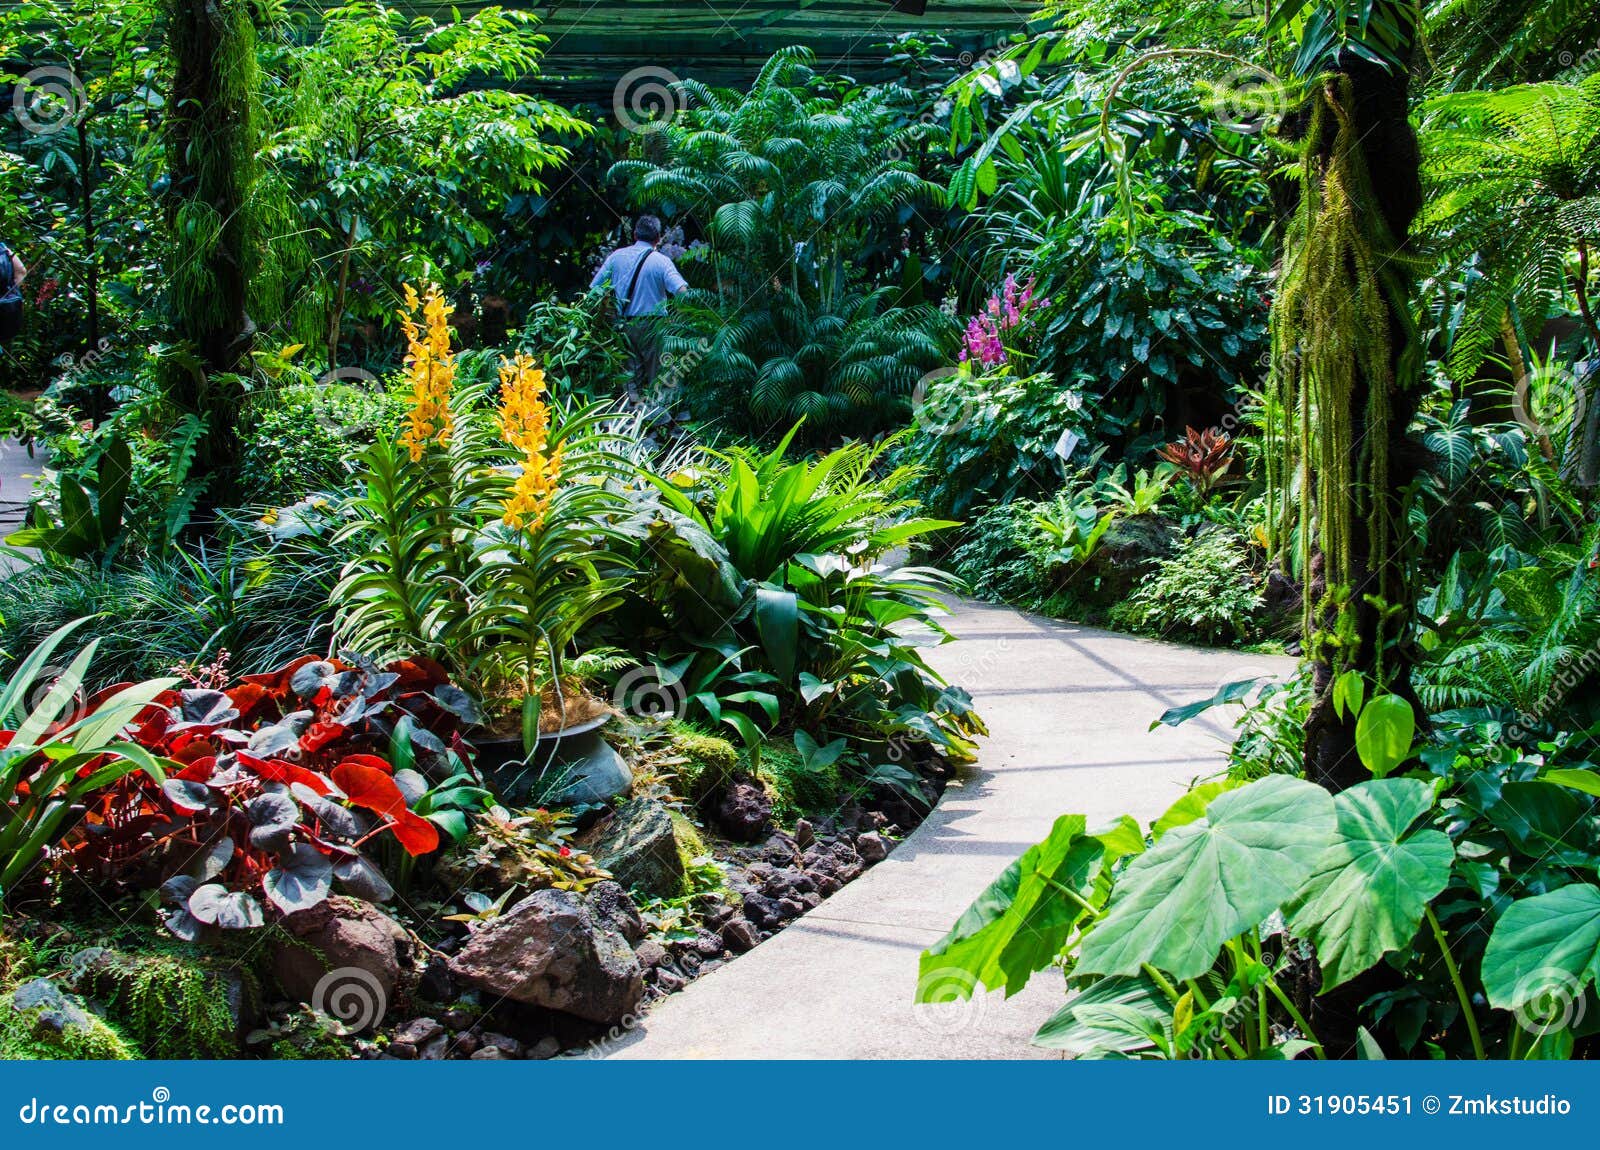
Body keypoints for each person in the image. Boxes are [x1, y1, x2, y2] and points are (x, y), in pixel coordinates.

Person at [590, 215, 687, 400]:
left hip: (623, 324)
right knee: (660, 374)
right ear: (658, 238)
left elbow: (595, 289)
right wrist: (680, 319)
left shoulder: (616, 257)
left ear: (635, 234)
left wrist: (606, 315)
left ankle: (631, 419)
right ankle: (659, 420)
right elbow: (682, 291)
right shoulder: (661, 261)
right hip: (654, 326)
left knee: (629, 376)